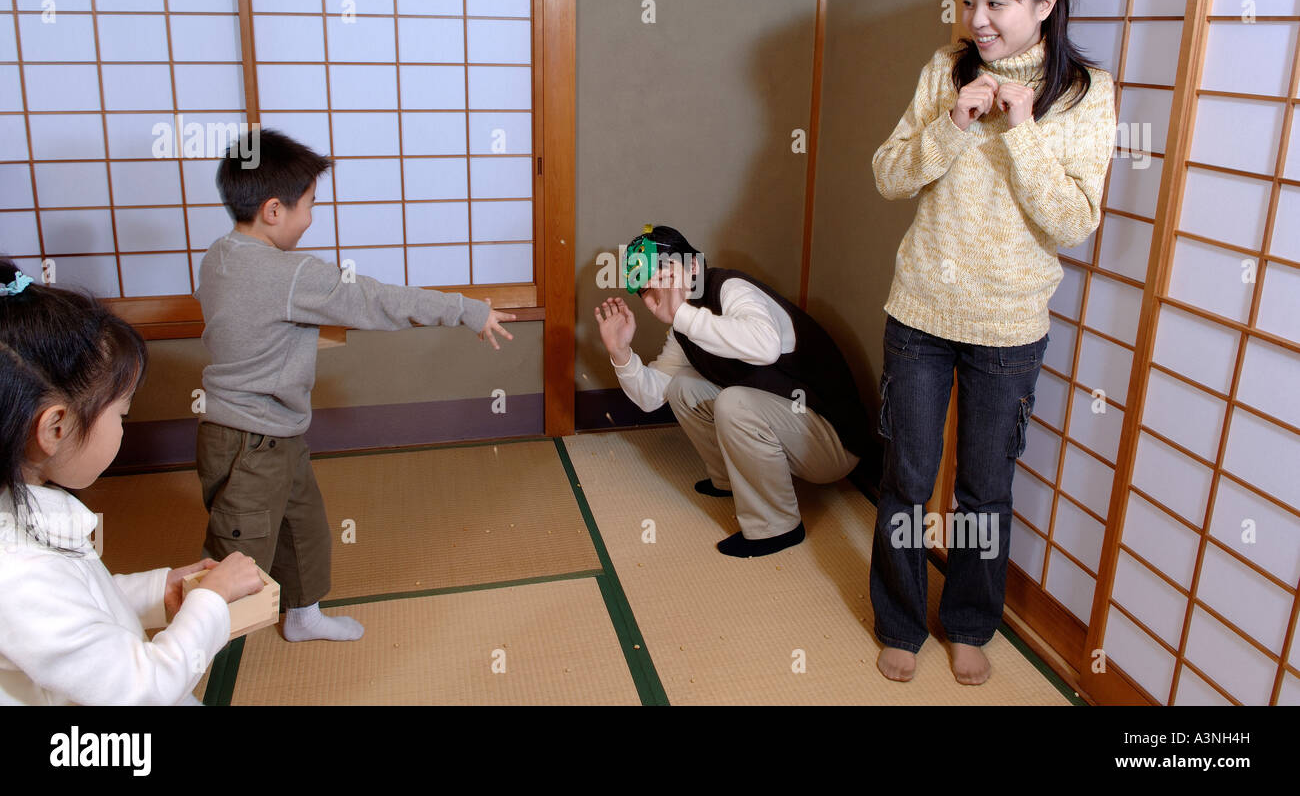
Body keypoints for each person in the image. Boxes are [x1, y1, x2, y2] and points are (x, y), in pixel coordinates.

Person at [869, 0, 1117, 685]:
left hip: (1009, 325)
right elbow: (888, 175)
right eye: (969, 2)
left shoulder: (1083, 92)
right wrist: (952, 121)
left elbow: (1074, 220)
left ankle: (970, 621)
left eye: (997, 4)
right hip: (919, 313)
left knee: (986, 485)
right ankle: (901, 622)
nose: (977, 20)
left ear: (1044, 5)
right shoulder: (942, 72)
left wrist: (1020, 132)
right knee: (909, 476)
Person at [196, 129, 515, 643]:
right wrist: (465, 308)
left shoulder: (220, 254)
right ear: (274, 210)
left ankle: (302, 617)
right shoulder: (293, 274)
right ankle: (181, 665)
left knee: (303, 529)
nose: (313, 217)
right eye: (310, 205)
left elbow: (242, 324)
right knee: (234, 558)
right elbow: (378, 299)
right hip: (248, 442)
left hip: (271, 434)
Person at [0, 261, 264, 705]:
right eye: (121, 414)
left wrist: (159, 591)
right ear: (54, 429)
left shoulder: (21, 512)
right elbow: (142, 690)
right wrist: (211, 602)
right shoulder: (19, 574)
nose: (123, 428)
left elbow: (79, 604)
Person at [594, 225, 870, 558]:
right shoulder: (684, 331)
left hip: (832, 440)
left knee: (733, 402)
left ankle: (777, 526)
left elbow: (765, 346)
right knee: (682, 388)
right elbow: (653, 397)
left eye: (666, 280)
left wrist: (681, 314)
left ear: (693, 266)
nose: (657, 299)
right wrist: (621, 353)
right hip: (791, 426)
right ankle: (730, 480)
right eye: (647, 292)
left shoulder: (732, 289)